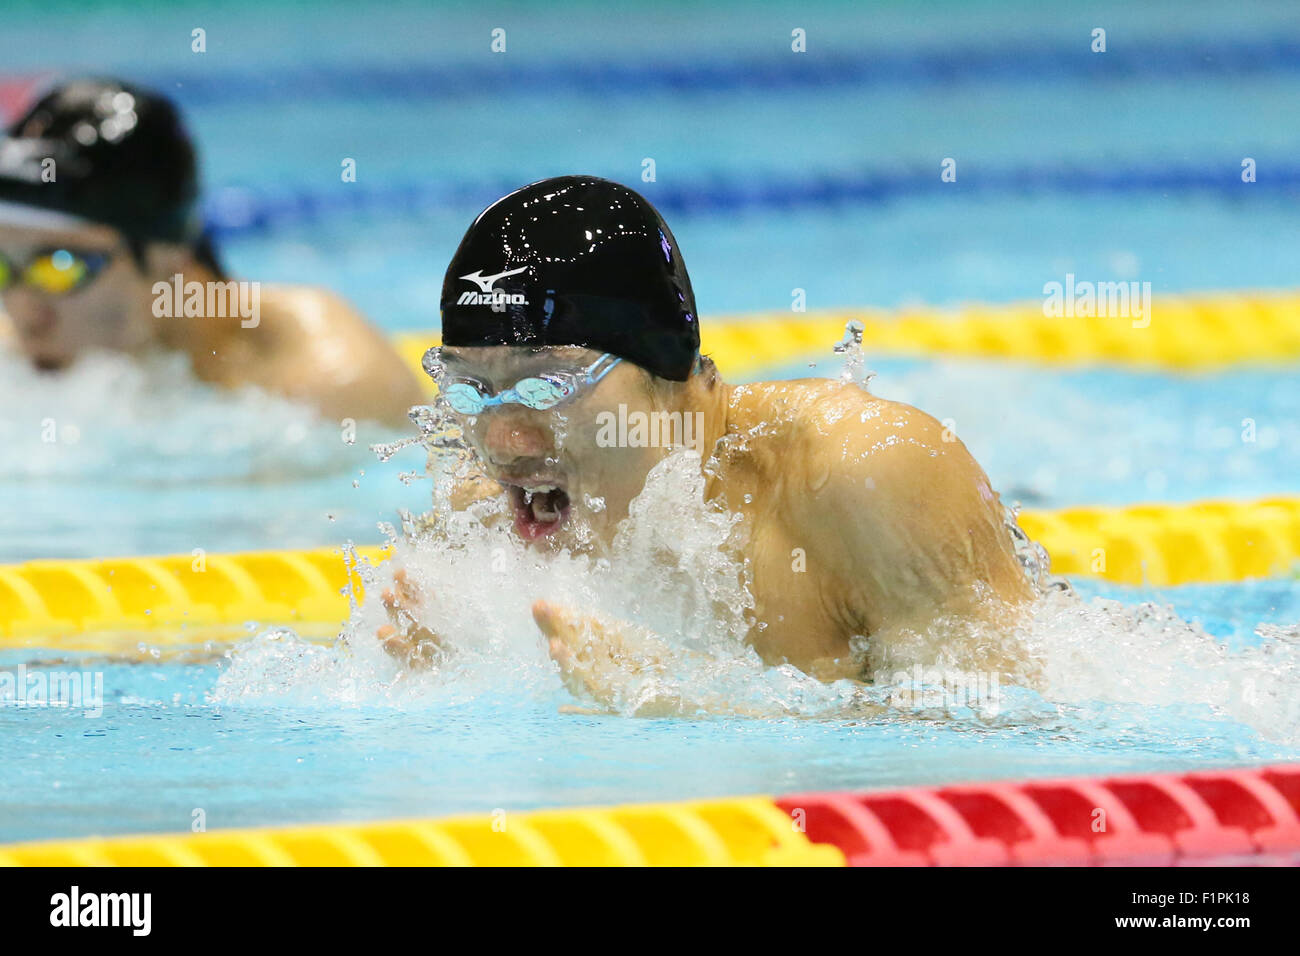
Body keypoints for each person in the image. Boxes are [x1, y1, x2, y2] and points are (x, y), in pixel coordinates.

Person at [377, 175, 1034, 713]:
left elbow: (1017, 727)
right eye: (469, 388)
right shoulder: (483, 514)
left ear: (669, 372)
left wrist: (713, 710)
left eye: (546, 382)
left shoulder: (866, 475)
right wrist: (456, 689)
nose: (502, 441)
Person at [0, 77, 422, 425]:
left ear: (169, 258)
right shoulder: (18, 347)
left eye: (60, 267)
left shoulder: (334, 389)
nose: (25, 313)